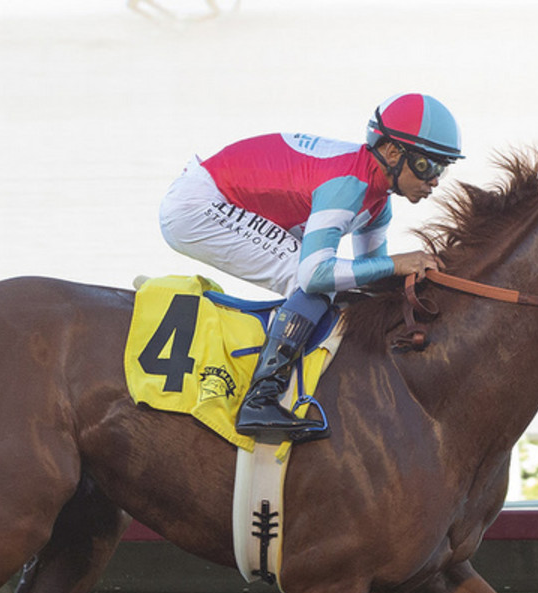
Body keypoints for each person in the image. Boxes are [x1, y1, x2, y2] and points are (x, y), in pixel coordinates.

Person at [159, 92, 463, 442]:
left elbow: (372, 277)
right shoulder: (349, 185)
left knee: (338, 283)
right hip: (198, 206)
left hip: (221, 196)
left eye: (443, 168)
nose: (436, 180)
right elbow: (317, 275)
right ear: (393, 153)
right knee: (315, 281)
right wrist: (395, 264)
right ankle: (261, 398)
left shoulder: (379, 203)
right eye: (428, 165)